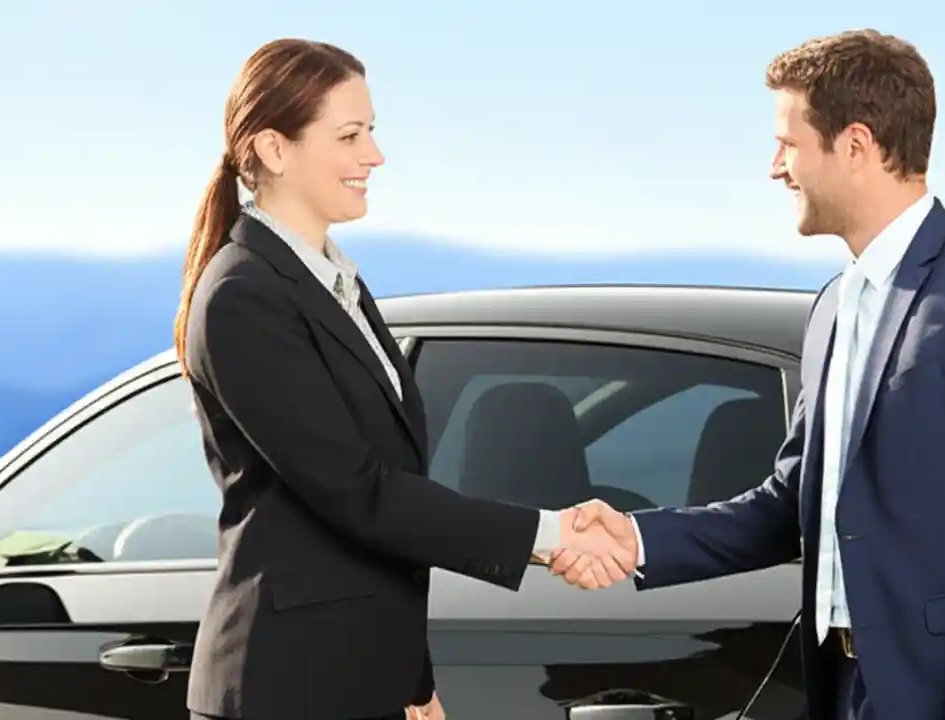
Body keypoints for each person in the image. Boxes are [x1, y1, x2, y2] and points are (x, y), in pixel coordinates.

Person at [551, 29, 945, 720]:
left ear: (856, 145)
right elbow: (790, 504)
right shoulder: (836, 306)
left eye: (789, 143)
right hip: (846, 689)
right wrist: (634, 539)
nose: (776, 167)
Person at [173, 39, 636, 720]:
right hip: (287, 687)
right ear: (274, 150)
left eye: (373, 132)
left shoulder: (334, 284)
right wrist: (551, 536)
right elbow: (359, 492)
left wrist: (411, 680)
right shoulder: (243, 296)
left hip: (356, 680)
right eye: (351, 135)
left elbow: (386, 503)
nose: (375, 156)